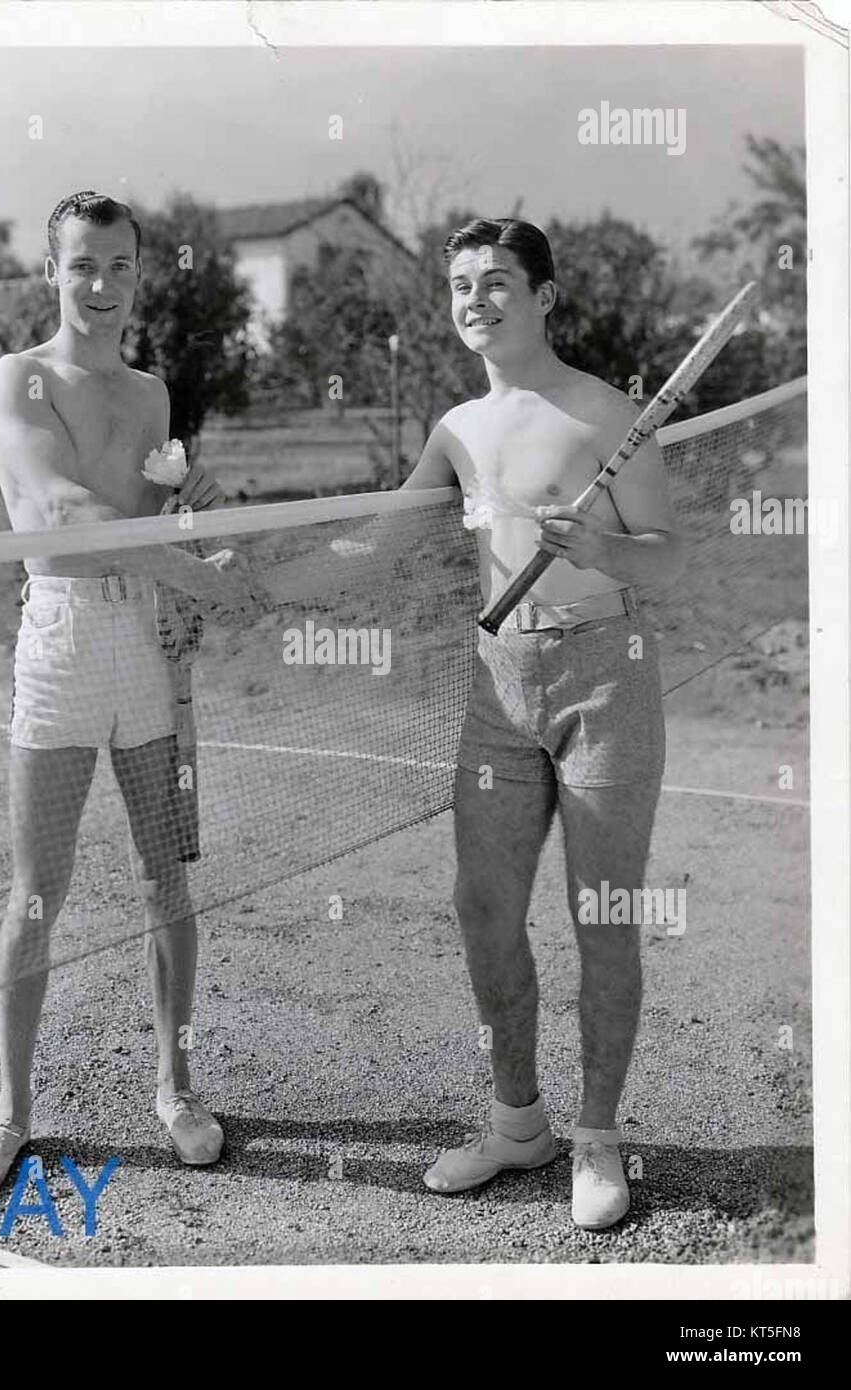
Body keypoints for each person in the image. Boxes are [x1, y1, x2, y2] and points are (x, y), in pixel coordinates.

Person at [0, 191, 245, 1194]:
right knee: (38, 890)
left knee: (168, 881)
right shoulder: (17, 379)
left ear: (137, 275)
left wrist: (191, 510)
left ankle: (173, 1085)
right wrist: (202, 569)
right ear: (52, 271)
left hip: (144, 646)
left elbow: (153, 513)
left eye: (119, 265)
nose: (102, 284)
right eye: (82, 264)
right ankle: (9, 1113)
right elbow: (59, 505)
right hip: (60, 643)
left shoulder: (153, 394)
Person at [400, 218, 684, 1228]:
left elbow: (663, 557)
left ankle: (598, 1137)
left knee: (599, 916)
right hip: (496, 685)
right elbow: (376, 539)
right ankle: (517, 1121)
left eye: (497, 283)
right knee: (483, 907)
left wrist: (602, 548)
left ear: (545, 296)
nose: (475, 301)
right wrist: (237, 559)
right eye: (460, 286)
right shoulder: (455, 428)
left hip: (604, 679)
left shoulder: (611, 413)